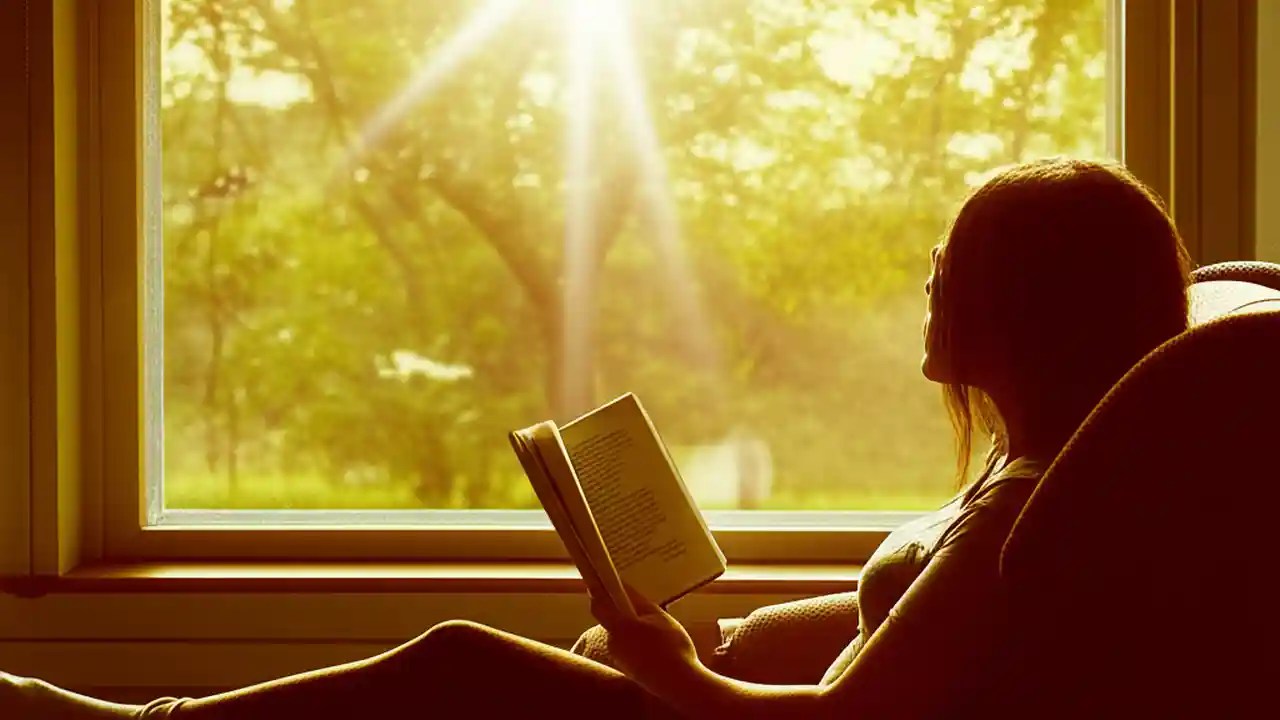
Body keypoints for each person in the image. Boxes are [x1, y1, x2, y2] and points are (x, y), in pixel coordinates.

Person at [0, 157, 1193, 718]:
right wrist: (734, 634)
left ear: (1028, 304)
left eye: (952, 269)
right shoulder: (1040, 477)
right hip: (729, 698)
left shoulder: (1032, 499)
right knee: (492, 665)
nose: (928, 288)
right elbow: (904, 634)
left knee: (457, 659)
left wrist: (681, 672)